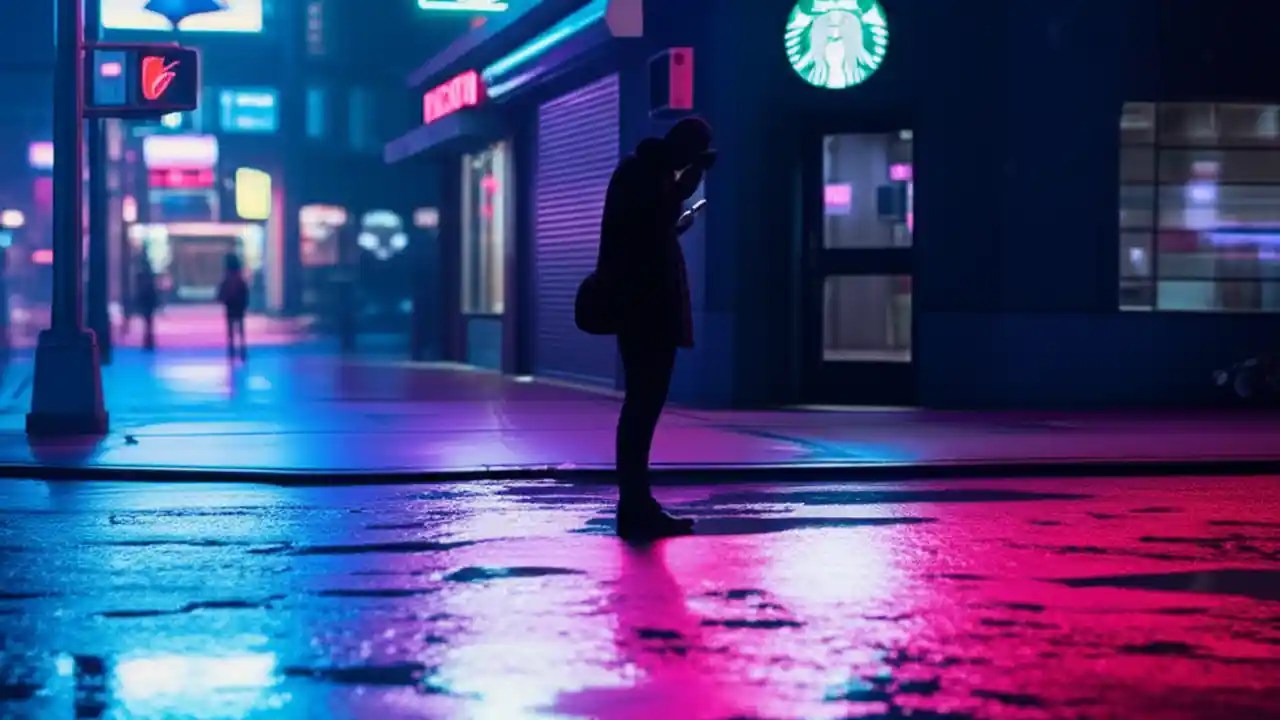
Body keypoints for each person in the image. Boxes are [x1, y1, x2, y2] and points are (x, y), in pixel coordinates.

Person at [596, 117, 717, 540]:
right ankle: (634, 505)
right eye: (695, 152)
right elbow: (646, 226)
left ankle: (637, 502)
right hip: (644, 309)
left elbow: (647, 230)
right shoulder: (644, 173)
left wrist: (675, 218)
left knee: (643, 405)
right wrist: (687, 185)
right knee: (642, 405)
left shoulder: (645, 171)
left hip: (643, 307)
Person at [217, 253, 249, 361]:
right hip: (239, 307)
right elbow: (245, 293)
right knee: (241, 330)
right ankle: (242, 351)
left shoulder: (227, 279)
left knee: (231, 331)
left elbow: (221, 295)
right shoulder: (240, 279)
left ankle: (231, 352)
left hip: (230, 307)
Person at [134, 255, 158, 351]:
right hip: (148, 302)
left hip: (146, 302)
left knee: (147, 323)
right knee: (149, 323)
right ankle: (149, 342)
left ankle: (148, 342)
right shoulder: (148, 276)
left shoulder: (141, 276)